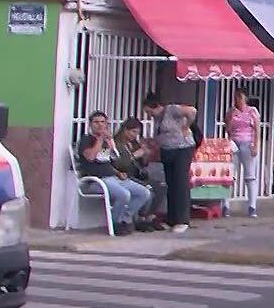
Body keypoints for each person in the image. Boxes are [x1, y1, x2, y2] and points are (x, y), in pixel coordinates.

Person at [78, 111, 153, 234]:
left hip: (112, 177)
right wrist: (100, 139)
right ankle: (114, 223)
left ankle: (125, 219)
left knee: (144, 193)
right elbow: (91, 157)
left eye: (103, 122)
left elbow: (109, 161)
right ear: (90, 125)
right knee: (124, 194)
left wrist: (117, 172)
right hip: (95, 181)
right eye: (96, 122)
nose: (100, 125)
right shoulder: (86, 140)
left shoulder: (108, 141)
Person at [143, 93, 198, 233]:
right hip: (167, 150)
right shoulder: (158, 118)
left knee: (180, 182)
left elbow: (192, 111)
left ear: (155, 107)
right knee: (170, 183)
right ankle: (172, 218)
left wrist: (186, 127)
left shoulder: (171, 110)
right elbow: (163, 134)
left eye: (149, 111)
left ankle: (182, 219)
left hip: (182, 148)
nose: (149, 115)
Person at [114, 125, 166, 230]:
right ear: (125, 130)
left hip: (137, 174)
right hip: (125, 175)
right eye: (133, 131)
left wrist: (145, 155)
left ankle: (150, 217)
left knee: (161, 187)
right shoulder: (117, 144)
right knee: (148, 189)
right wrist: (134, 156)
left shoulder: (134, 144)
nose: (135, 135)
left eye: (137, 133)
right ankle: (140, 219)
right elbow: (120, 164)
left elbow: (141, 165)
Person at [225, 89, 261, 218]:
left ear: (245, 98)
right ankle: (226, 206)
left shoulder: (252, 111)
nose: (238, 100)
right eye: (236, 97)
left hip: (247, 143)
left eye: (240, 97)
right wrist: (230, 116)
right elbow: (228, 129)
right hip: (234, 142)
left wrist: (256, 146)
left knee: (250, 176)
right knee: (230, 176)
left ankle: (252, 206)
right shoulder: (231, 112)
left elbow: (257, 129)